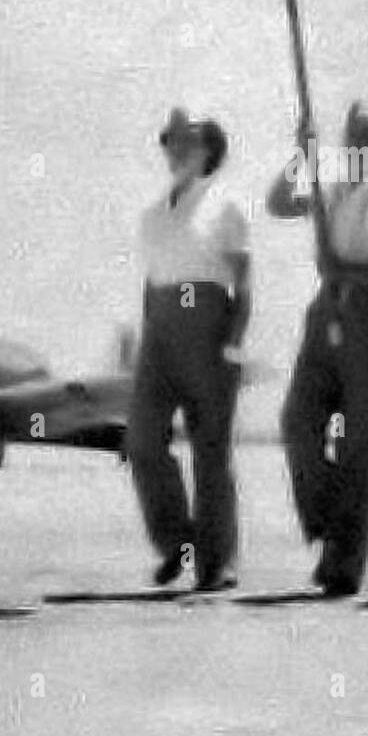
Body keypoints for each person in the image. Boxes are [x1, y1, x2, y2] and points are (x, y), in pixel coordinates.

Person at [267, 102, 368, 596]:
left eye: (363, 142)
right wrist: (302, 156)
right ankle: (330, 519)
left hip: (366, 317)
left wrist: (348, 271)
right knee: (297, 420)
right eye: (351, 141)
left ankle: (343, 565)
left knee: (360, 444)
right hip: (324, 314)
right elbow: (280, 203)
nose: (352, 147)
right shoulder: (332, 189)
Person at [124, 107, 251, 591]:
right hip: (161, 329)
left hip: (209, 323)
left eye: (188, 142)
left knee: (210, 449)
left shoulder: (225, 206)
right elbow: (152, 282)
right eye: (170, 142)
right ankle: (177, 541)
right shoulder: (152, 214)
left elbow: (244, 282)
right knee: (141, 440)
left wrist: (235, 341)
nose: (176, 151)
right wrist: (148, 333)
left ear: (209, 151)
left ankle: (217, 562)